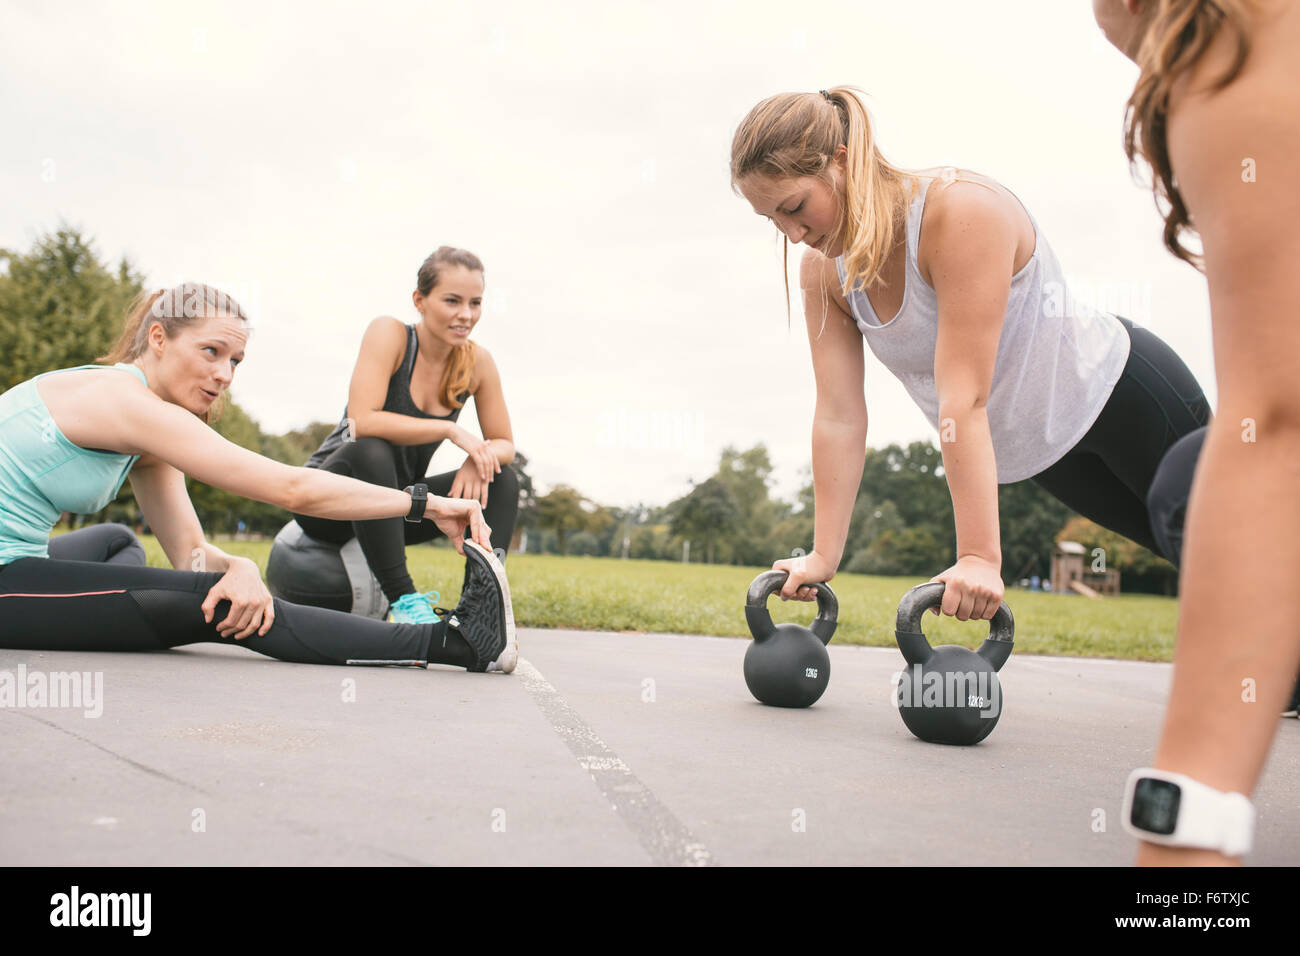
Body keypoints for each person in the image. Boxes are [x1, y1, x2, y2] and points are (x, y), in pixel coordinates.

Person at [730, 87, 1210, 626]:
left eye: (795, 207)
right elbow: (839, 415)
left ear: (842, 160)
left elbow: (964, 395)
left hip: (1120, 394)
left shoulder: (958, 213)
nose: (794, 235)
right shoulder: (824, 272)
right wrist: (823, 554)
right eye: (773, 220)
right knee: (1200, 560)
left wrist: (979, 557)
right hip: (1044, 450)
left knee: (1241, 539)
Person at [0, 281, 516, 674]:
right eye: (211, 352)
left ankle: (121, 615)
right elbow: (292, 487)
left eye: (235, 361)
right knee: (223, 606)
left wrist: (237, 562)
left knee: (119, 544)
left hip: (24, 559)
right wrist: (426, 504)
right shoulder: (126, 404)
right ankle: (455, 642)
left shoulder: (146, 433)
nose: (224, 374)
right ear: (158, 338)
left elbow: (190, 555)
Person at [1094, 0, 1300, 865]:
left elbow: (1278, 425)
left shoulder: (1232, 43)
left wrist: (1183, 855)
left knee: (1209, 474)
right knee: (1187, 480)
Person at [291, 247, 519, 625]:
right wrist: (449, 429)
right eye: (452, 301)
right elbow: (360, 422)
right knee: (371, 449)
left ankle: (480, 608)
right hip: (327, 504)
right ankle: (405, 603)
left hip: (396, 509)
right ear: (420, 300)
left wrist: (474, 459)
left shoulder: (478, 362)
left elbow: (505, 443)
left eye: (475, 303)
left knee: (500, 476)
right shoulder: (390, 334)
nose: (466, 314)